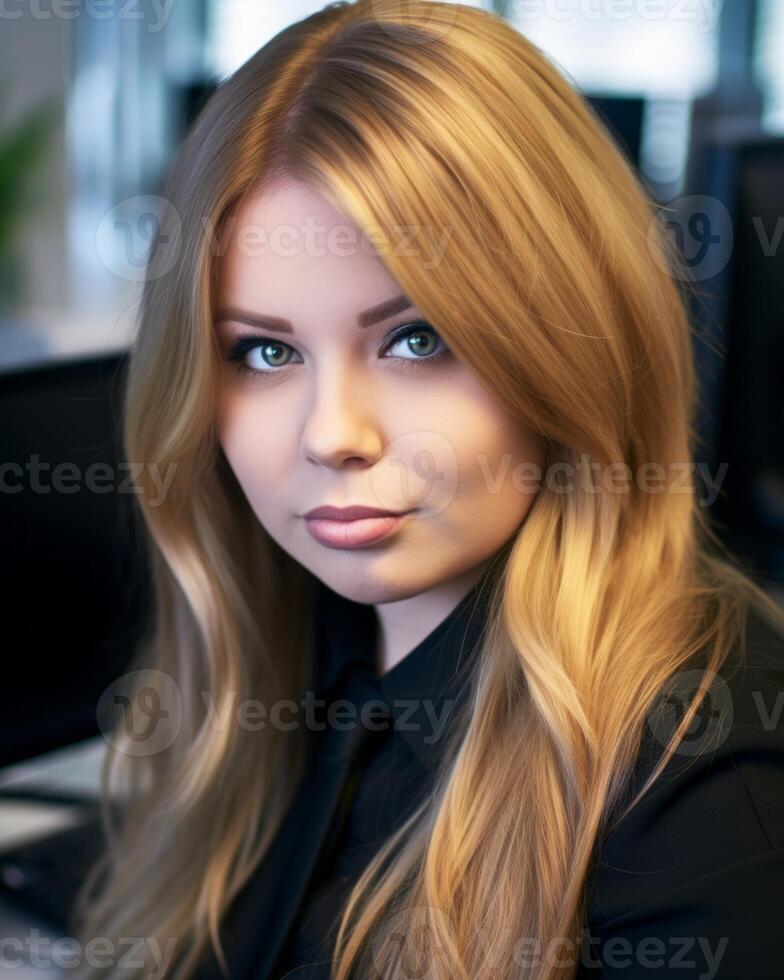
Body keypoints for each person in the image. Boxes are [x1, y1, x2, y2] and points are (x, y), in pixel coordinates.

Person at [69, 2, 784, 978]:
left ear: (576, 343)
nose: (332, 434)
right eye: (265, 351)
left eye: (418, 339)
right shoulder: (288, 650)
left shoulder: (704, 792)